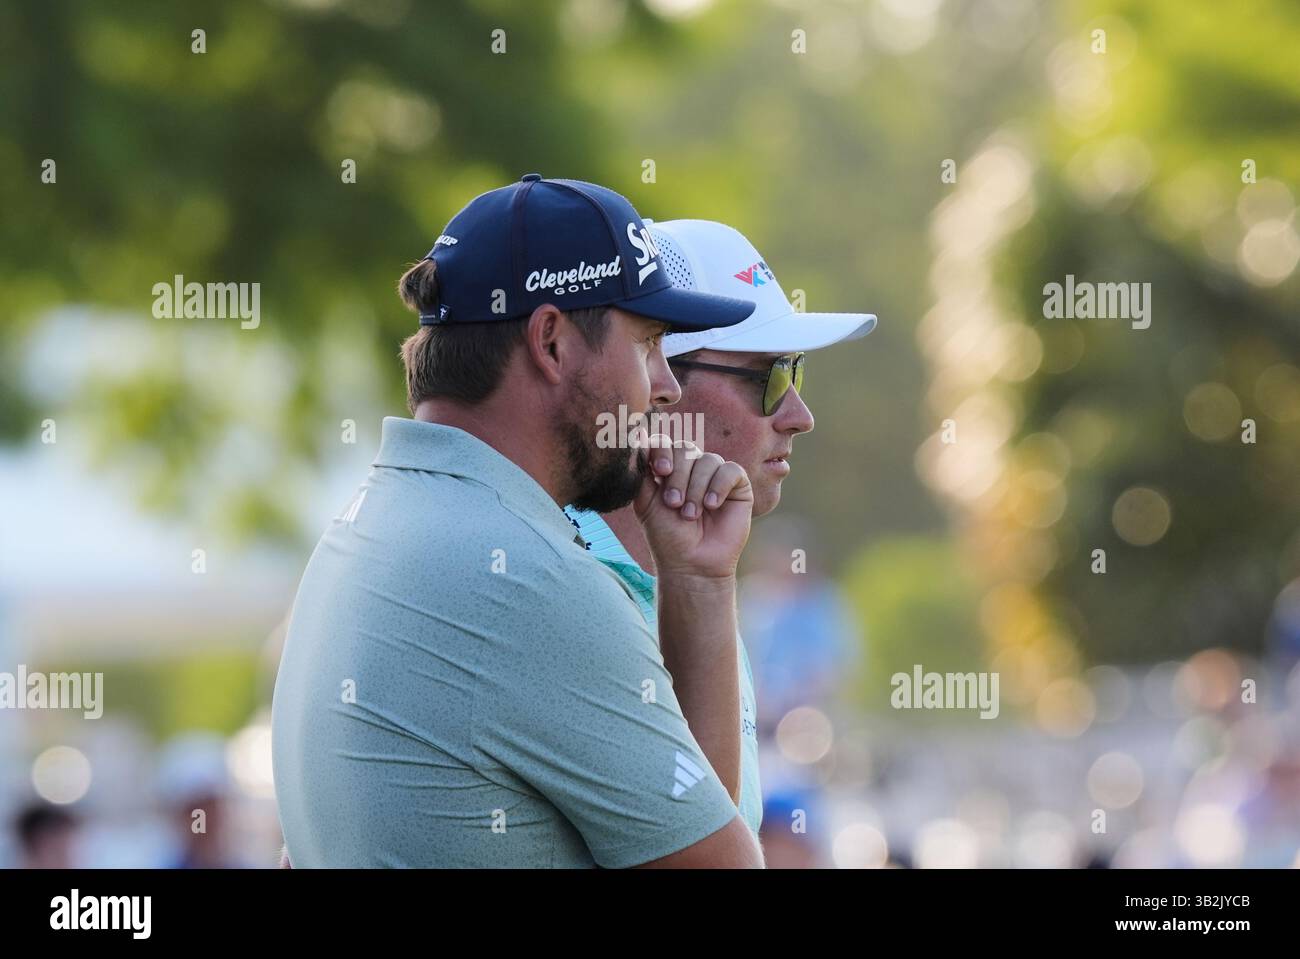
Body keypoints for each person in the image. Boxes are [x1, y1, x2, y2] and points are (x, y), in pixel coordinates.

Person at [272, 175, 768, 867]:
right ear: (552, 341)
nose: (667, 385)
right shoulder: (527, 581)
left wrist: (698, 581)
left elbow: (682, 833)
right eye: (650, 342)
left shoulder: (360, 528)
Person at [564, 218, 875, 838]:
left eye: (796, 373)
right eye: (769, 377)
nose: (798, 414)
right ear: (659, 383)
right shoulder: (561, 574)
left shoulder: (699, 573)